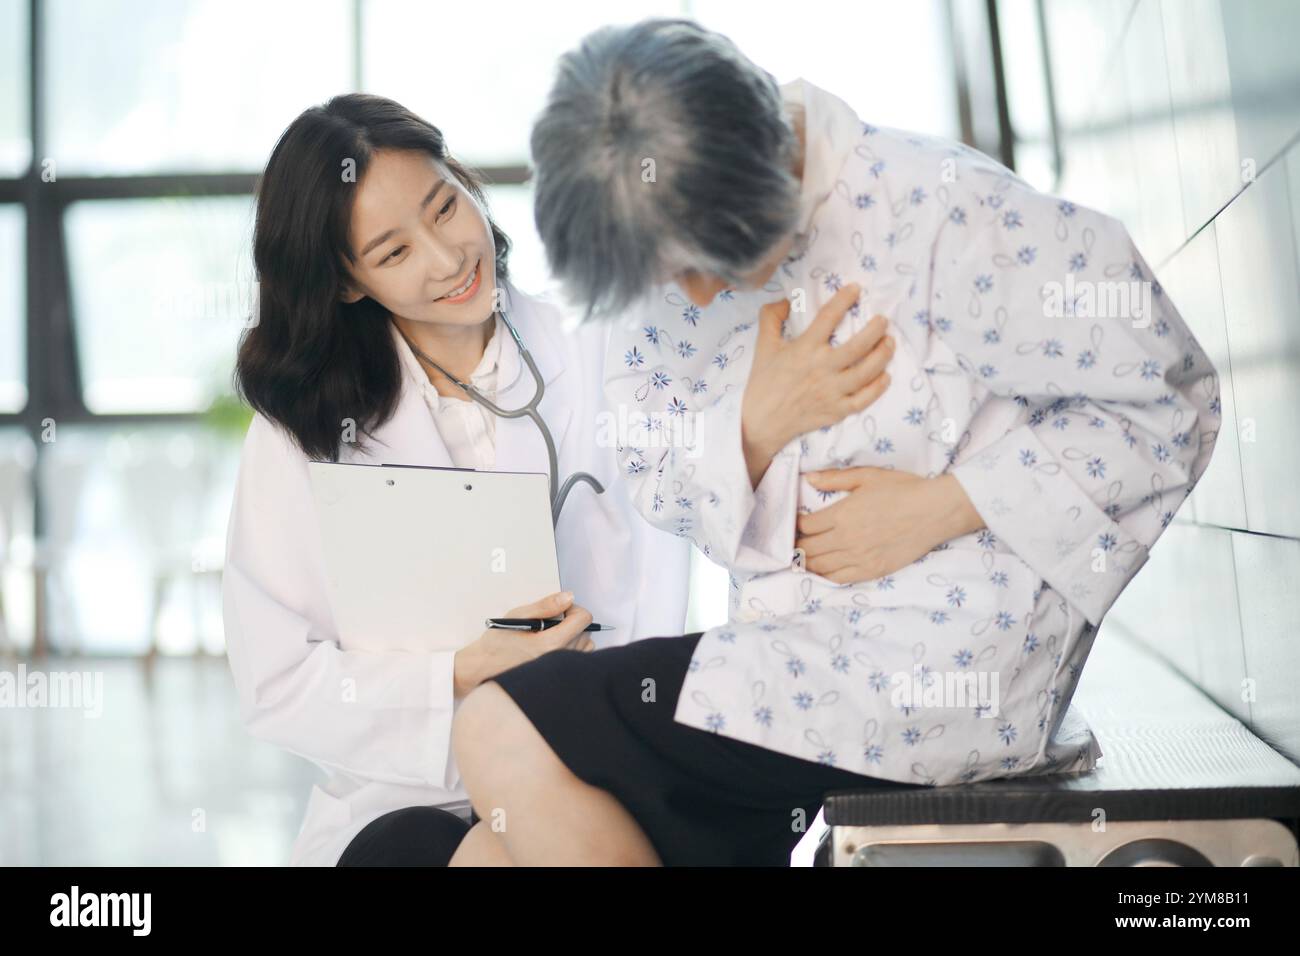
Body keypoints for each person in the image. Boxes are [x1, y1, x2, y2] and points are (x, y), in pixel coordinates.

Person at [448, 18, 1221, 866]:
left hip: (937, 672)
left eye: (703, 264)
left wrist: (947, 507)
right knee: (446, 850)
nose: (695, 295)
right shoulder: (659, 237)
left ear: (761, 170)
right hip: (792, 662)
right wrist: (754, 424)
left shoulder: (946, 210)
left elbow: (1169, 403)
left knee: (497, 720)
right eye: (668, 275)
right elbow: (650, 464)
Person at [222, 93, 689, 866]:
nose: (447, 260)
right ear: (346, 283)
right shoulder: (299, 432)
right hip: (409, 790)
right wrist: (459, 674)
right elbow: (278, 684)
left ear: (466, 182)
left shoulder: (606, 349)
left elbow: (723, 494)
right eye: (394, 253)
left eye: (444, 208)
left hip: (606, 753)